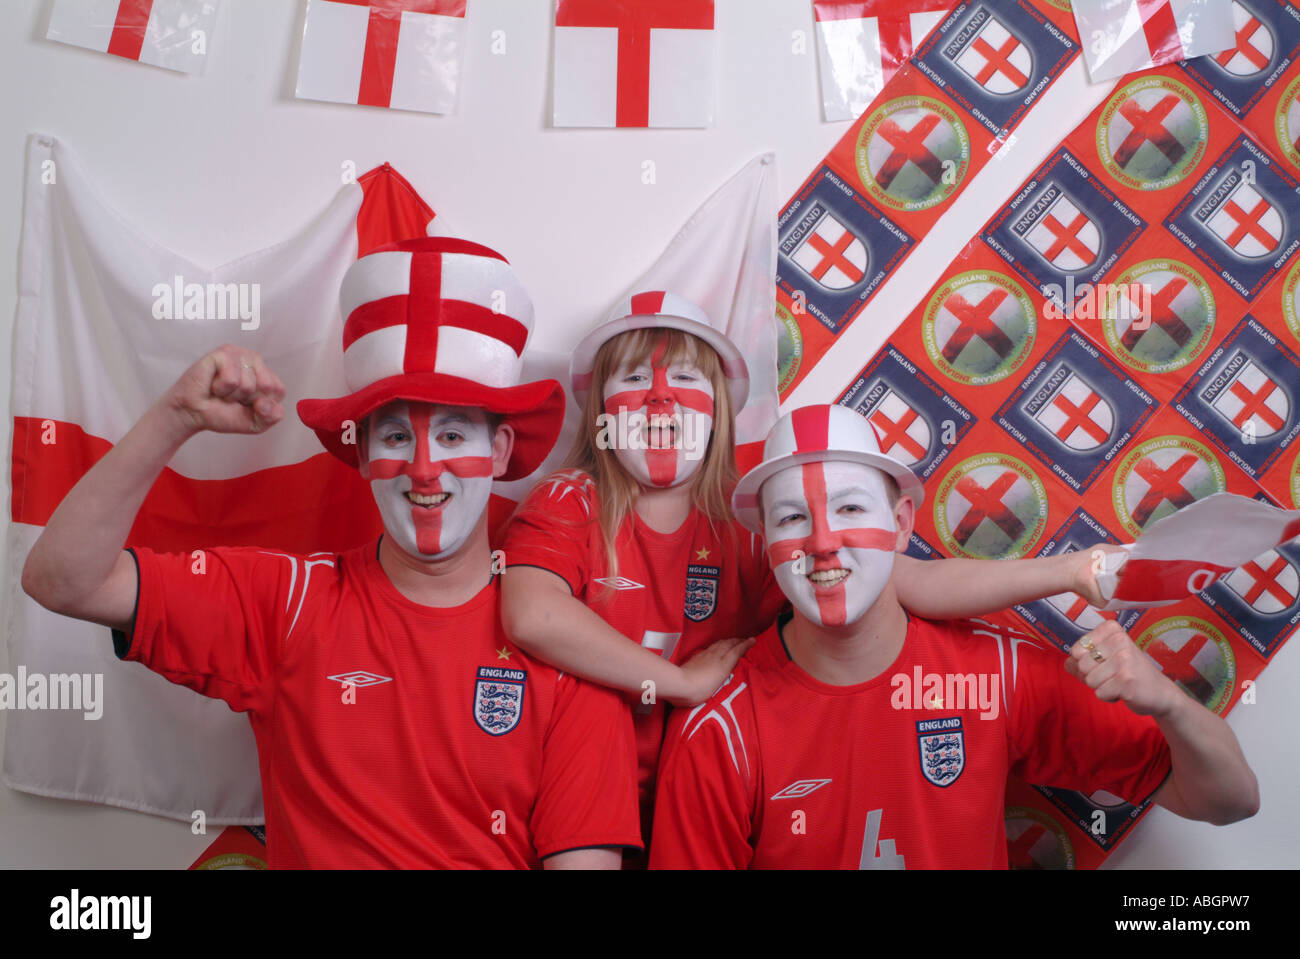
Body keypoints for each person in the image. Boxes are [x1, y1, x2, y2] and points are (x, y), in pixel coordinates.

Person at [22, 237, 642, 869]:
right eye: (397, 435)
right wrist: (176, 416)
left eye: (453, 433)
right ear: (363, 453)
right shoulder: (285, 603)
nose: (425, 469)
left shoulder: (572, 652)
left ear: (503, 452)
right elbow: (63, 579)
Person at [649, 403, 1260, 869]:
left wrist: (1170, 705)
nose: (822, 542)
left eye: (851, 509)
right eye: (792, 518)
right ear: (768, 546)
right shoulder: (720, 732)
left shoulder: (991, 675)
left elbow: (1230, 801)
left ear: (900, 524)